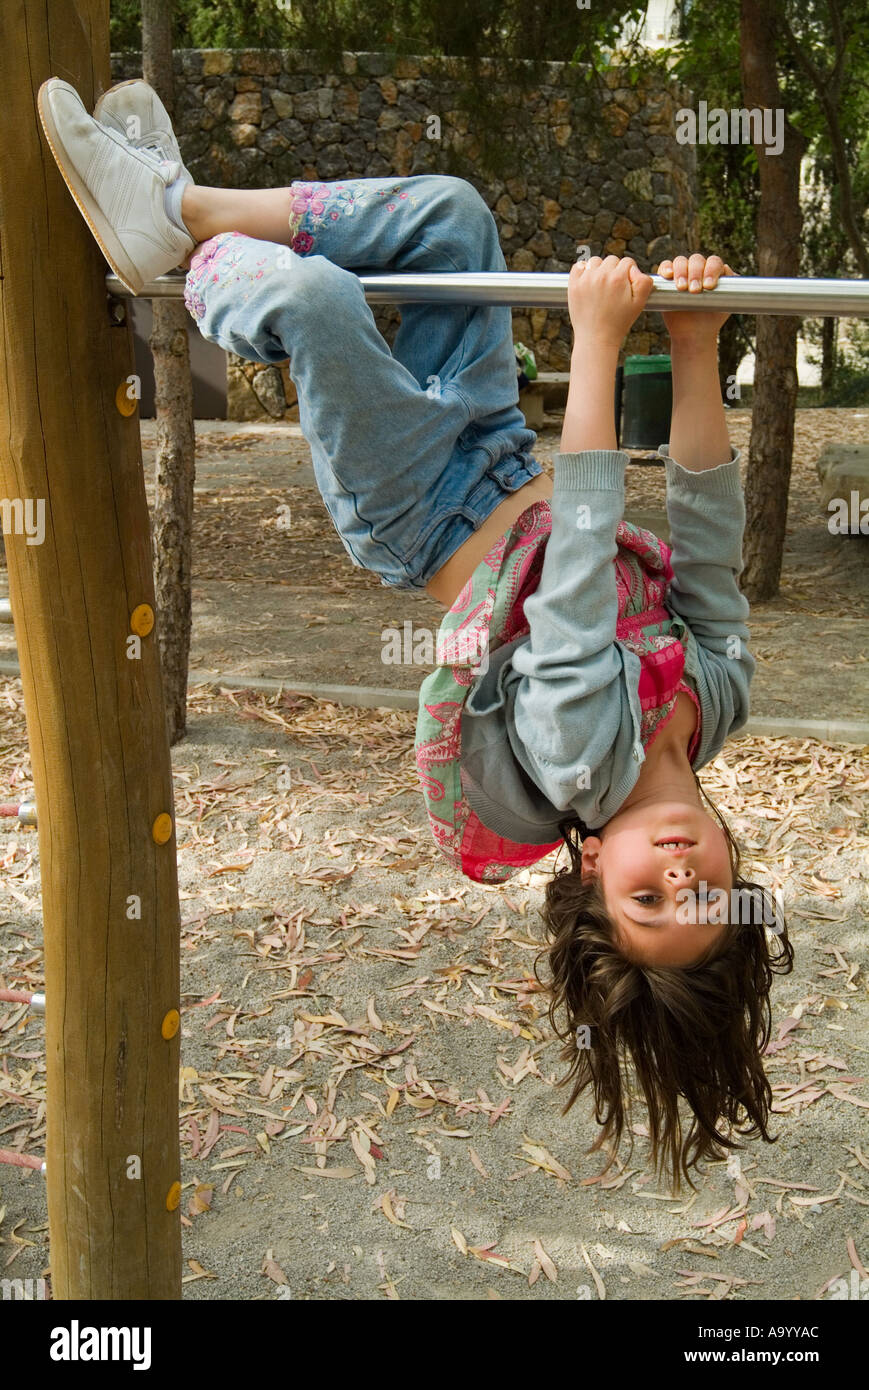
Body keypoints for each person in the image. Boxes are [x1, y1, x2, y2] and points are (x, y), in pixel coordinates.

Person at [37, 77, 793, 1189]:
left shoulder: (583, 758)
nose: (677, 871)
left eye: (646, 897)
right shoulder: (711, 700)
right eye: (702, 895)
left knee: (314, 304)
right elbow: (707, 532)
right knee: (451, 216)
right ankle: (181, 202)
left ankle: (177, 248)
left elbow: (580, 559)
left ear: (591, 865)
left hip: (417, 506)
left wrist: (596, 344)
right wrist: (691, 346)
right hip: (492, 445)